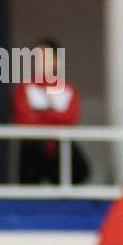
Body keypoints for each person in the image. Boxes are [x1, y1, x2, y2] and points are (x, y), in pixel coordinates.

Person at [12, 39, 88, 186]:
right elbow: (25, 121)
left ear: (56, 61)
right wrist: (54, 113)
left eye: (46, 57)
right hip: (33, 148)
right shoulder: (24, 88)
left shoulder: (67, 89)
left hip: (60, 148)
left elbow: (70, 119)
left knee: (79, 170)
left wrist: (41, 111)